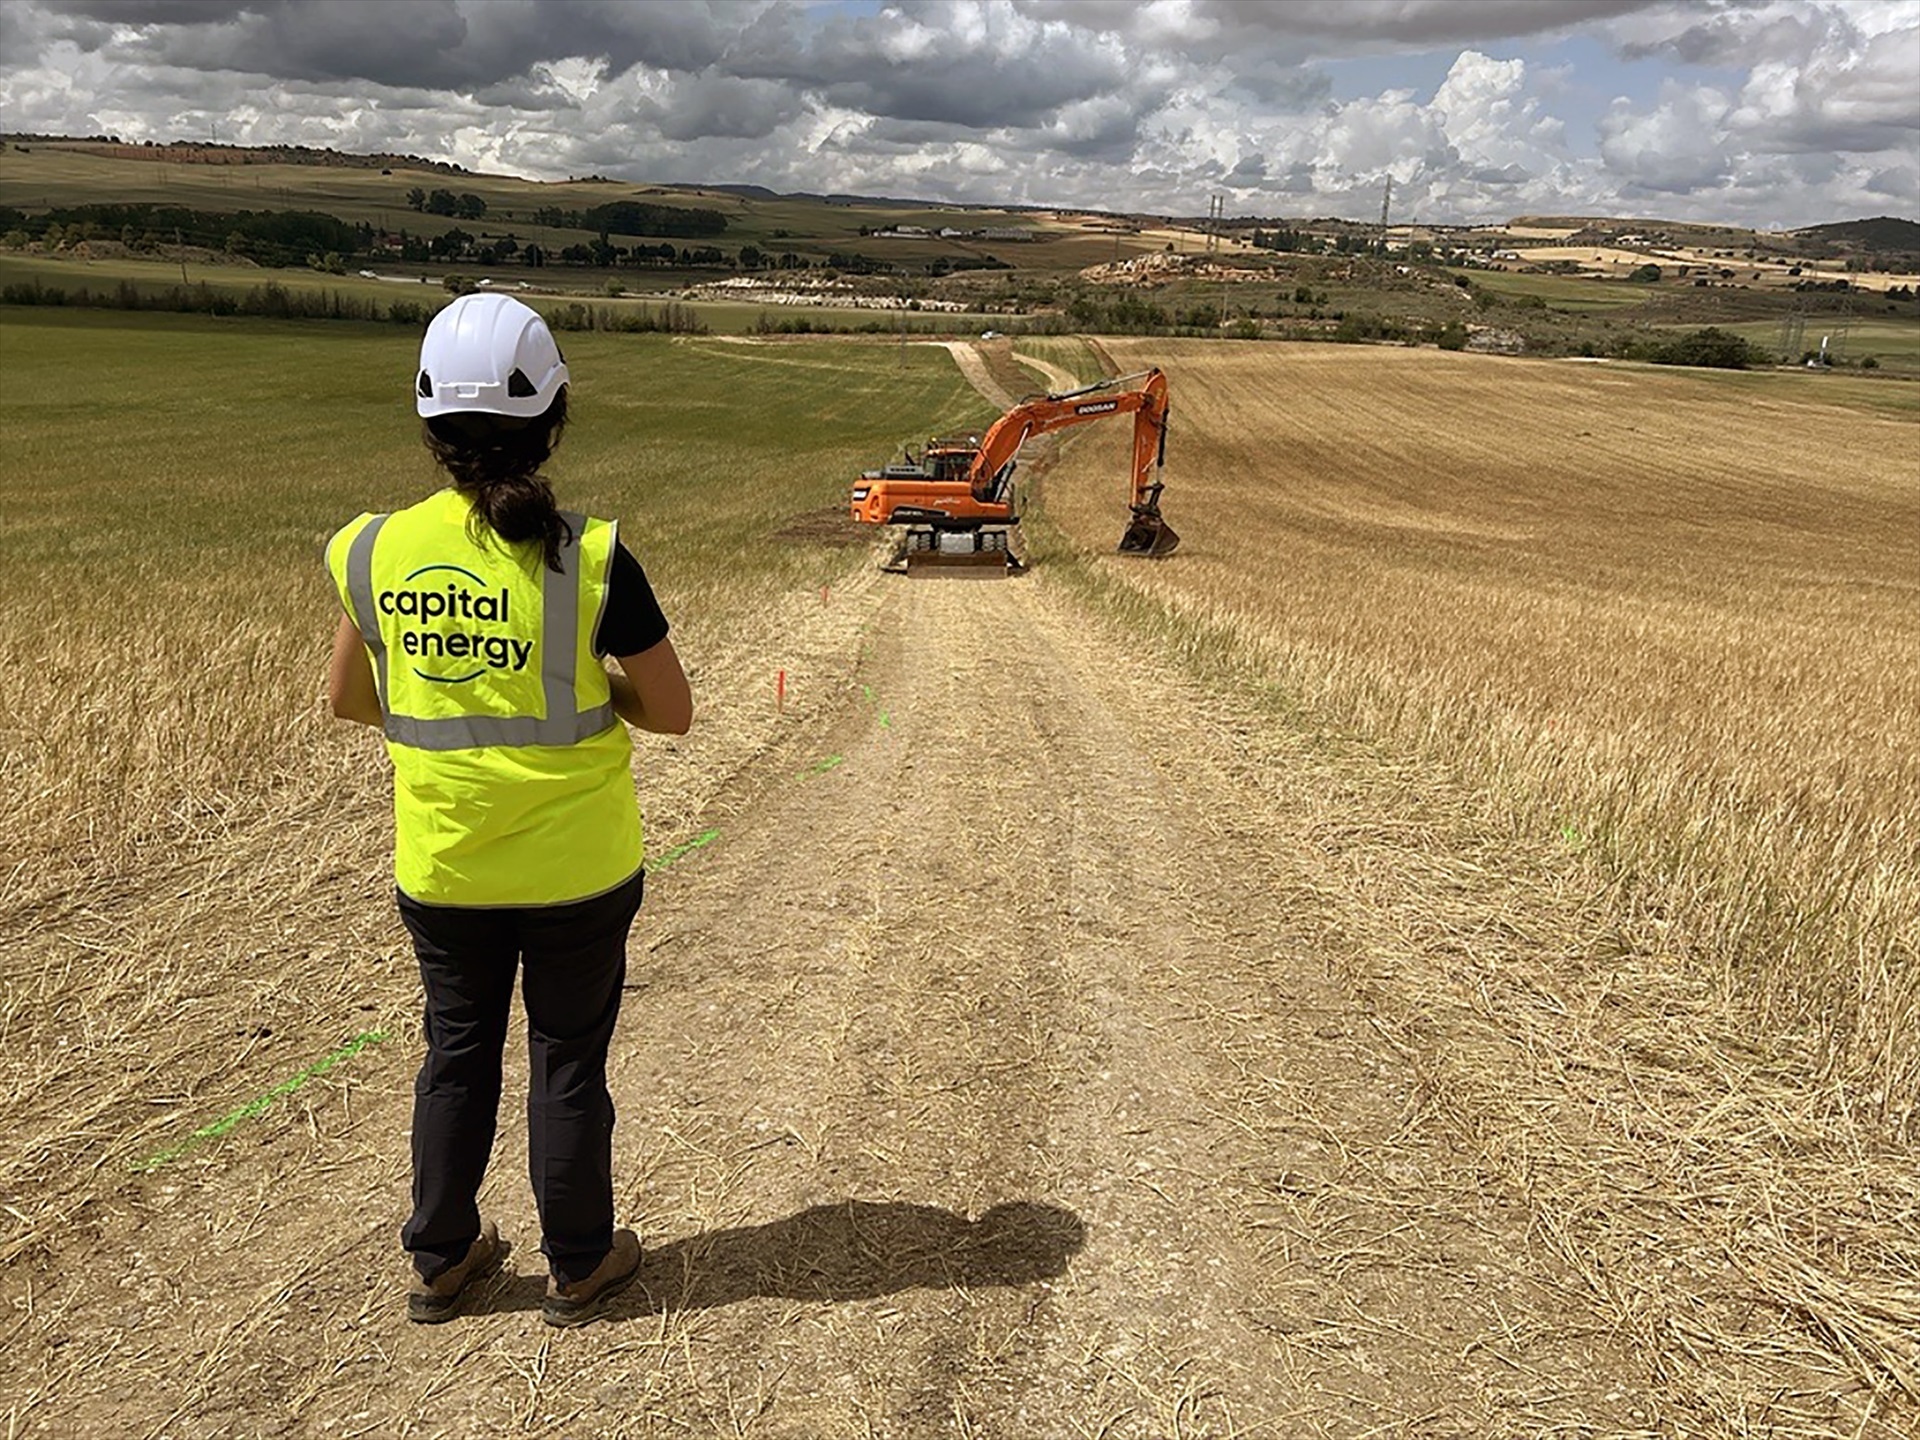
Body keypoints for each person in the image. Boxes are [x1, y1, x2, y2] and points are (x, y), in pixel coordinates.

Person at [324, 293, 692, 1327]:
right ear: (555, 418)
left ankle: (442, 1257)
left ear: (431, 429)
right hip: (579, 867)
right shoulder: (593, 556)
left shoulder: (370, 552)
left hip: (444, 866)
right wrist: (590, 691)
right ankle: (581, 1264)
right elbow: (672, 712)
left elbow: (352, 700)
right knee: (566, 1060)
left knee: (456, 1052)